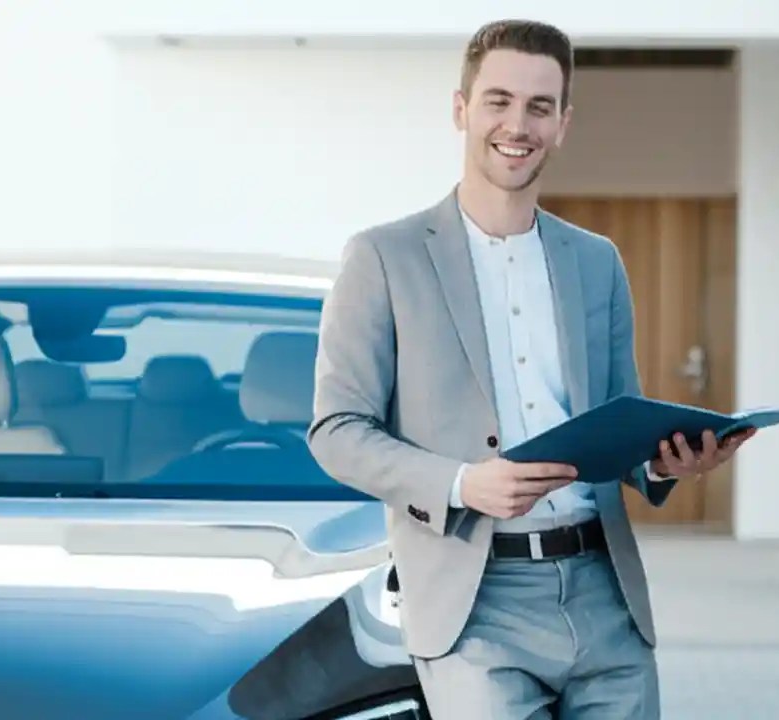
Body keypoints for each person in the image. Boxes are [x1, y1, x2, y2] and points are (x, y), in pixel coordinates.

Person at [307, 18, 755, 719]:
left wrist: (667, 462)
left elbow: (619, 419)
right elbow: (336, 430)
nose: (518, 125)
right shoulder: (383, 258)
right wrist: (463, 483)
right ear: (461, 109)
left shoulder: (597, 261)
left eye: (540, 107)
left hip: (604, 595)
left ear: (563, 123)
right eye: (500, 101)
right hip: (474, 602)